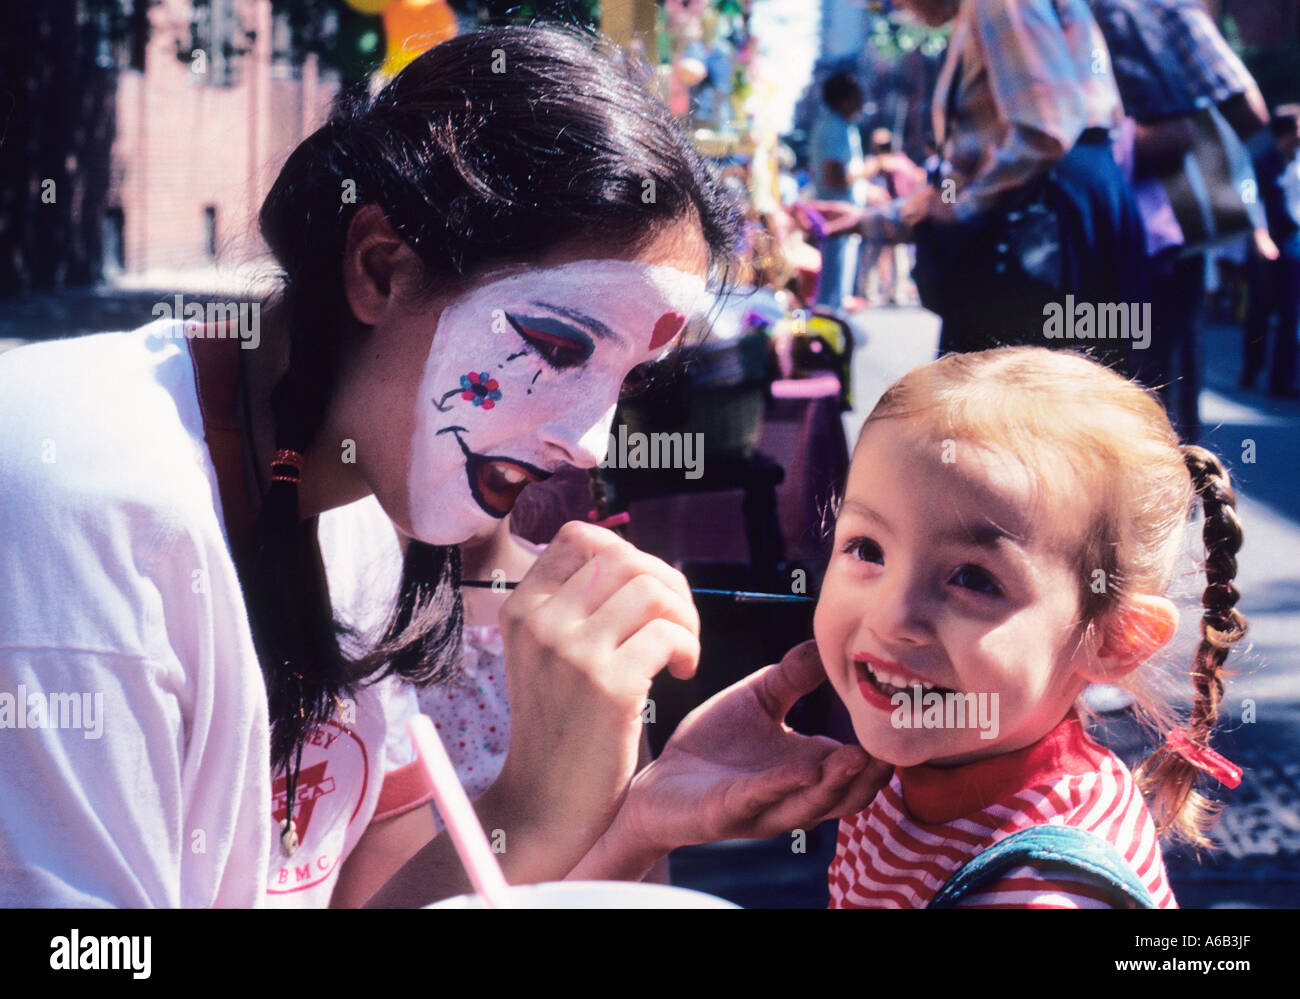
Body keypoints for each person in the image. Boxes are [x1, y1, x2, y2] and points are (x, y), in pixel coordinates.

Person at [0, 25, 887, 908]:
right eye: (554, 345)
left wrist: (627, 817)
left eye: (627, 382)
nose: (588, 446)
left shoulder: (353, 509)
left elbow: (375, 899)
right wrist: (541, 803)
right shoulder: (81, 504)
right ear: (380, 268)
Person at [812, 347, 1246, 907]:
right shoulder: (920, 766)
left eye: (973, 578)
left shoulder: (1041, 890)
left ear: (1115, 638)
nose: (893, 617)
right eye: (867, 549)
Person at [1089, 0, 1272, 440]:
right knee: (1170, 365)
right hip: (1170, 218)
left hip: (1085, 214)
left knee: (1094, 365)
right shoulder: (1169, 9)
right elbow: (1251, 110)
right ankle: (1176, 487)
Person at [1242, 106, 1300, 397]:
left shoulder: (1297, 162)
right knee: (1261, 309)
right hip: (1266, 244)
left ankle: (1283, 379)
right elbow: (1252, 203)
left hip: (1292, 245)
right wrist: (1259, 236)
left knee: (1291, 312)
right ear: (1288, 130)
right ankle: (1251, 368)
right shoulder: (1261, 163)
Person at [809, 72, 873, 311]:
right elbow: (834, 179)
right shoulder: (835, 127)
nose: (862, 103)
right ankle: (825, 337)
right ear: (846, 100)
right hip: (837, 219)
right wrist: (871, 169)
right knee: (831, 293)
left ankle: (830, 333)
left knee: (835, 289)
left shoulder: (838, 126)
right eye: (858, 98)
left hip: (841, 216)